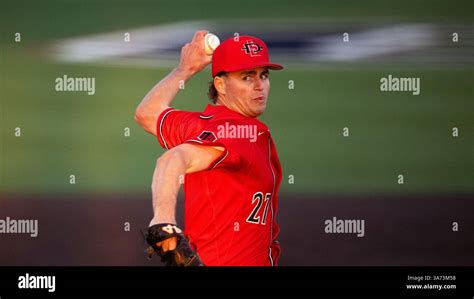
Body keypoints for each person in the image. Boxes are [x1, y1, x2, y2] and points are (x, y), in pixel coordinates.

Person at [135, 30, 283, 266]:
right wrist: (163, 218)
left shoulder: (199, 125)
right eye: (247, 77)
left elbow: (147, 113)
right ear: (221, 85)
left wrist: (185, 69)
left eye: (263, 75)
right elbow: (172, 159)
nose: (259, 86)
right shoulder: (238, 133)